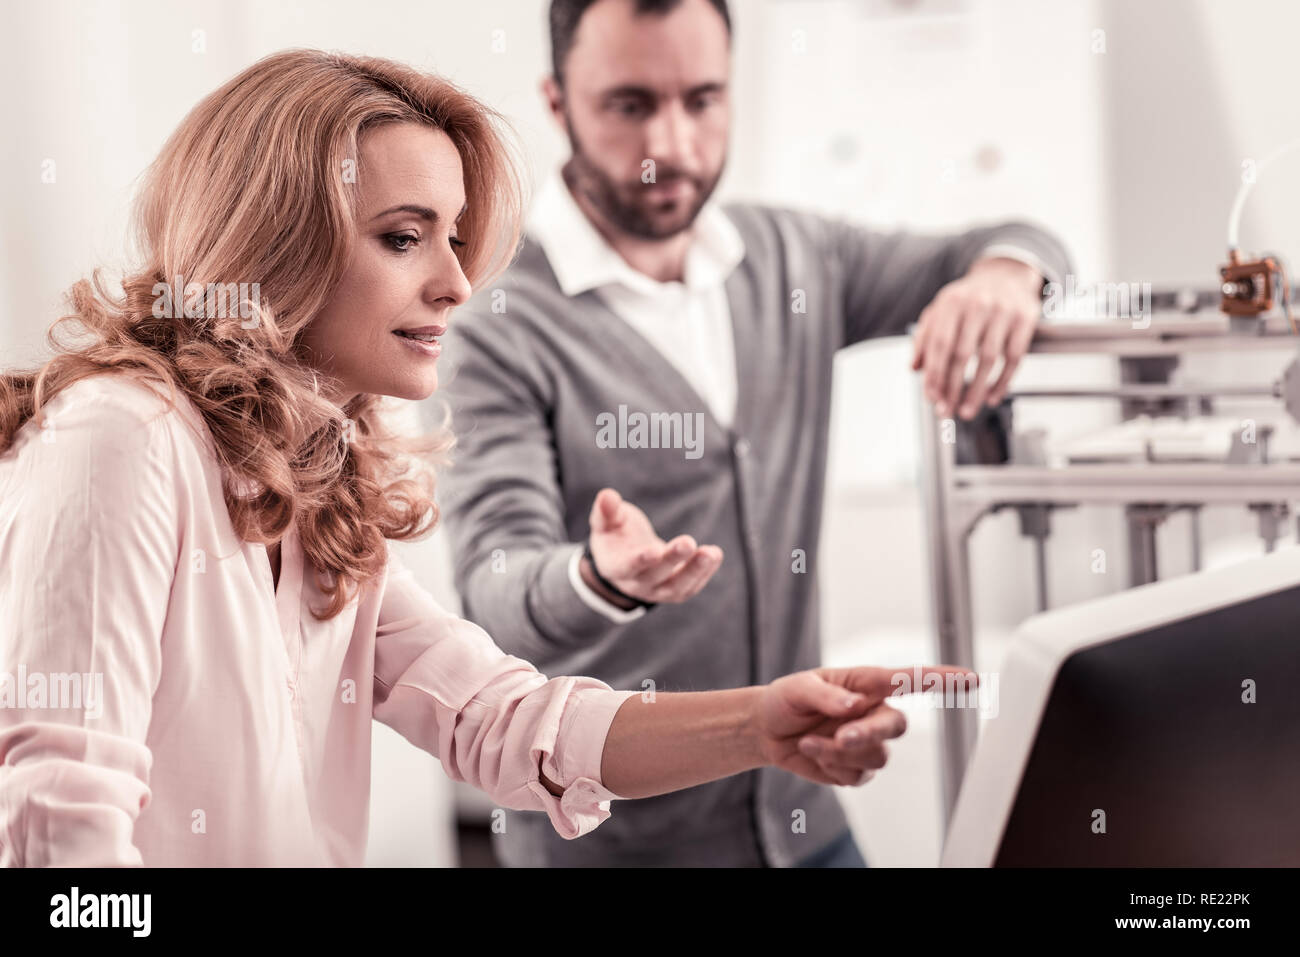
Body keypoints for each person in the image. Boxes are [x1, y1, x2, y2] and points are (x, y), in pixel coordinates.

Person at [0, 48, 956, 868]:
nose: (457, 282)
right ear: (271, 243)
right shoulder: (120, 438)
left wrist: (758, 725)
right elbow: (61, 834)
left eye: (454, 239)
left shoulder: (317, 481)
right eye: (404, 237)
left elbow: (503, 716)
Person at [434, 0, 1071, 867]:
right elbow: (495, 585)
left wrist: (1005, 275)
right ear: (557, 103)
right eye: (630, 105)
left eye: (702, 99)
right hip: (612, 845)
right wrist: (597, 579)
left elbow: (1015, 237)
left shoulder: (795, 259)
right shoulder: (496, 316)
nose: (676, 145)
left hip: (804, 819)